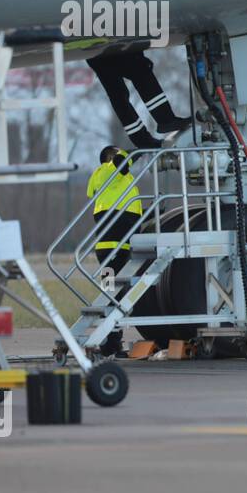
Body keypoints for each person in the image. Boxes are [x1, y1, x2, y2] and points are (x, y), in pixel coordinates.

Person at [86, 146, 144, 357]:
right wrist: (137, 149)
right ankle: (110, 344)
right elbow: (122, 160)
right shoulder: (109, 171)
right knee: (114, 295)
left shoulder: (110, 178)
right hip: (116, 248)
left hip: (112, 248)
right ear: (110, 157)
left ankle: (111, 343)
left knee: (112, 294)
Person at [86, 44, 191, 149]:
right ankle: (165, 119)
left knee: (117, 95)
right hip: (111, 44)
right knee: (140, 71)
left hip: (94, 50)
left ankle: (142, 139)